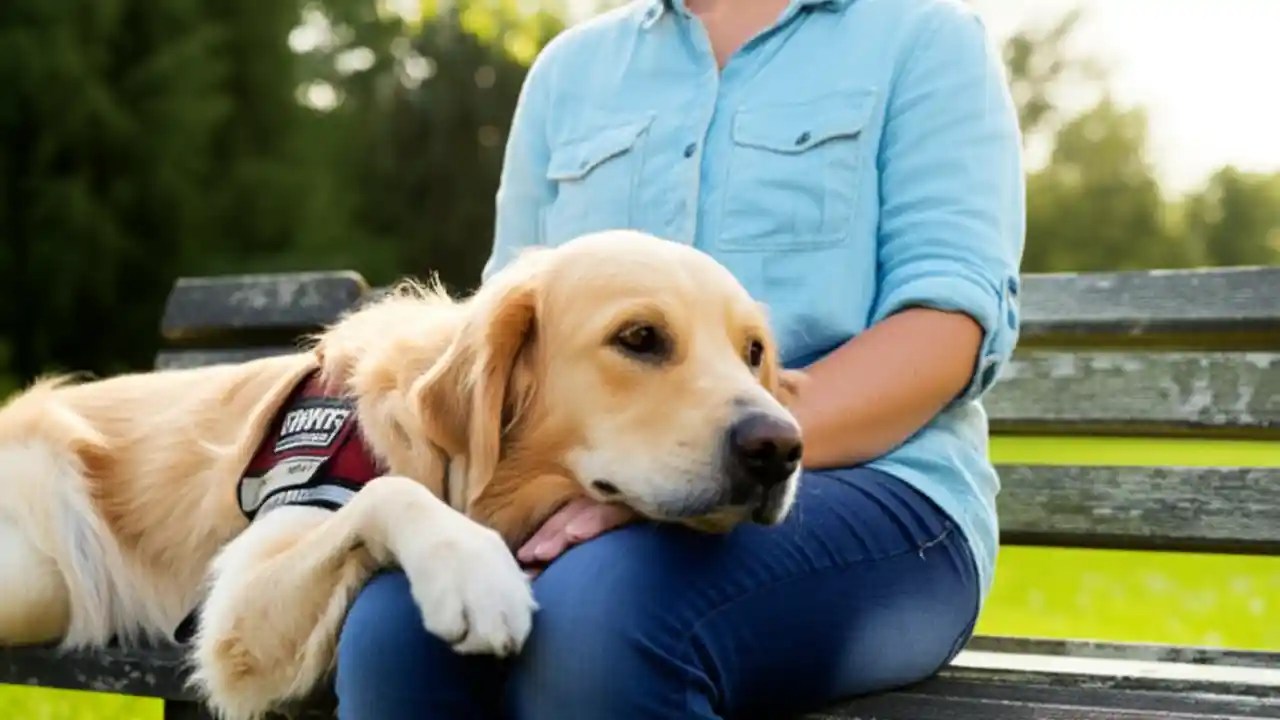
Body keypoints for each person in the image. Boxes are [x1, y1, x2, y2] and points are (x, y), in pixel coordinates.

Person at [334, 0, 1025, 716]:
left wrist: (691, 465)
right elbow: (504, 337)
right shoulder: (569, 71)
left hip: (881, 498)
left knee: (605, 612)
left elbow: (945, 331)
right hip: (568, 496)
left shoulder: (924, 40)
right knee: (391, 630)